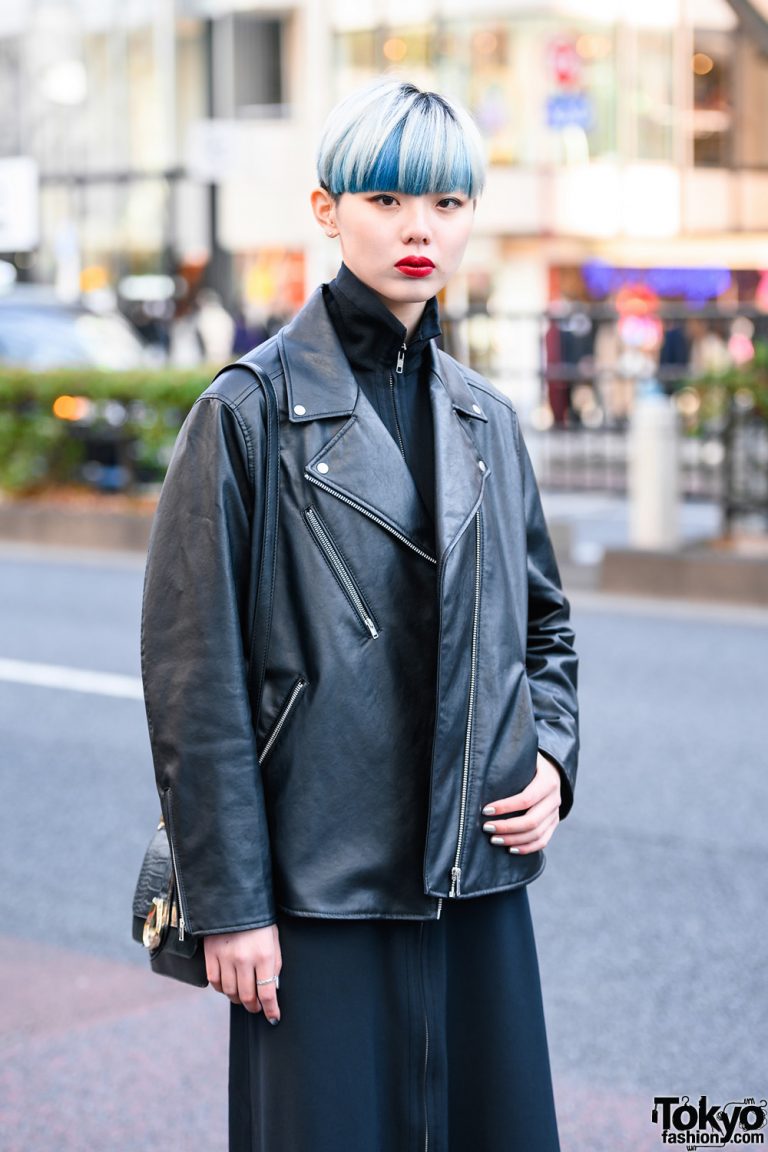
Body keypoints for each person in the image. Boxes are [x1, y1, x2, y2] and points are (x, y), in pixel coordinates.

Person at [141, 77, 579, 1152]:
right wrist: (233, 903)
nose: (419, 228)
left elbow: (546, 632)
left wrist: (556, 761)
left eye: (446, 203)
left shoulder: (487, 418)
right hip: (317, 885)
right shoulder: (245, 412)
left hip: (474, 877)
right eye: (386, 199)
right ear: (328, 210)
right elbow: (197, 679)